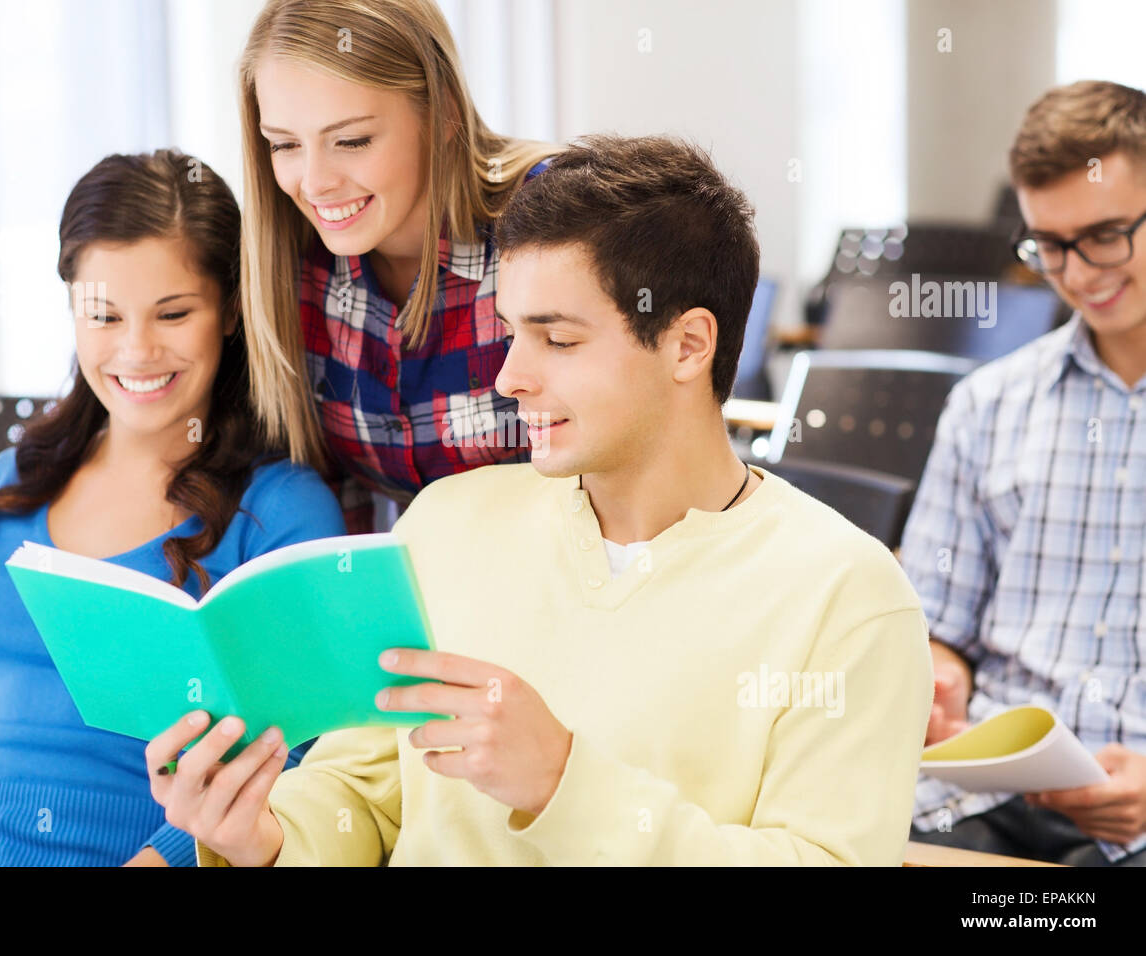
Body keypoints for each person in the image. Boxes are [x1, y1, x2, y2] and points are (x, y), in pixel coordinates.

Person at [146, 134, 934, 867]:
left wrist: (563, 782)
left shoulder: (849, 597)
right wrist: (265, 835)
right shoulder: (444, 525)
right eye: (512, 332)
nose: (509, 377)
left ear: (688, 345)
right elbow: (361, 795)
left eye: (558, 340)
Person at [0, 149, 344, 867]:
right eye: (104, 315)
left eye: (173, 313)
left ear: (231, 310)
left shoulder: (280, 515)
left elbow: (296, 758)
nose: (137, 350)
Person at [902, 80, 1146, 866]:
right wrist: (939, 679)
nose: (1077, 273)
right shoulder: (988, 404)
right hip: (992, 789)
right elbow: (939, 625)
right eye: (1049, 245)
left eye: (1104, 236)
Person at [235, 0, 562, 533]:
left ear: (444, 113)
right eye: (285, 145)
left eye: (351, 140)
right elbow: (331, 512)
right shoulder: (290, 260)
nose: (314, 183)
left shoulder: (557, 227)